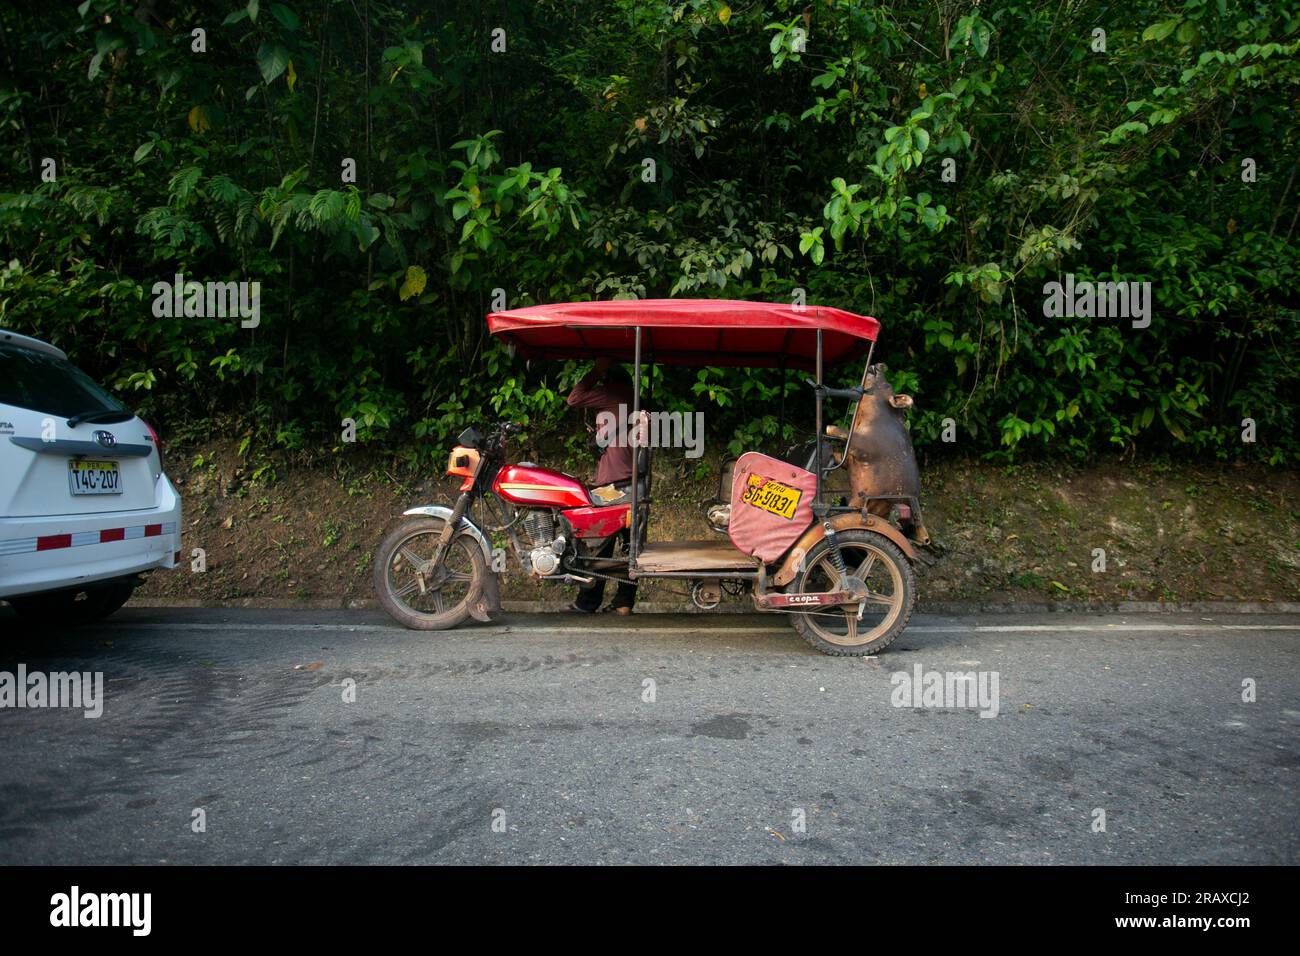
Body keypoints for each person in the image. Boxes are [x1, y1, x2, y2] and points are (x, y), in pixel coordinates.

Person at [565, 357, 638, 615]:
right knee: (631, 548)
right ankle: (624, 602)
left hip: (613, 483)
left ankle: (588, 602)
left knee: (597, 544)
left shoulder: (610, 395)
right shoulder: (635, 398)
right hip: (636, 481)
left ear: (608, 382)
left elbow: (573, 398)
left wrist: (596, 369)